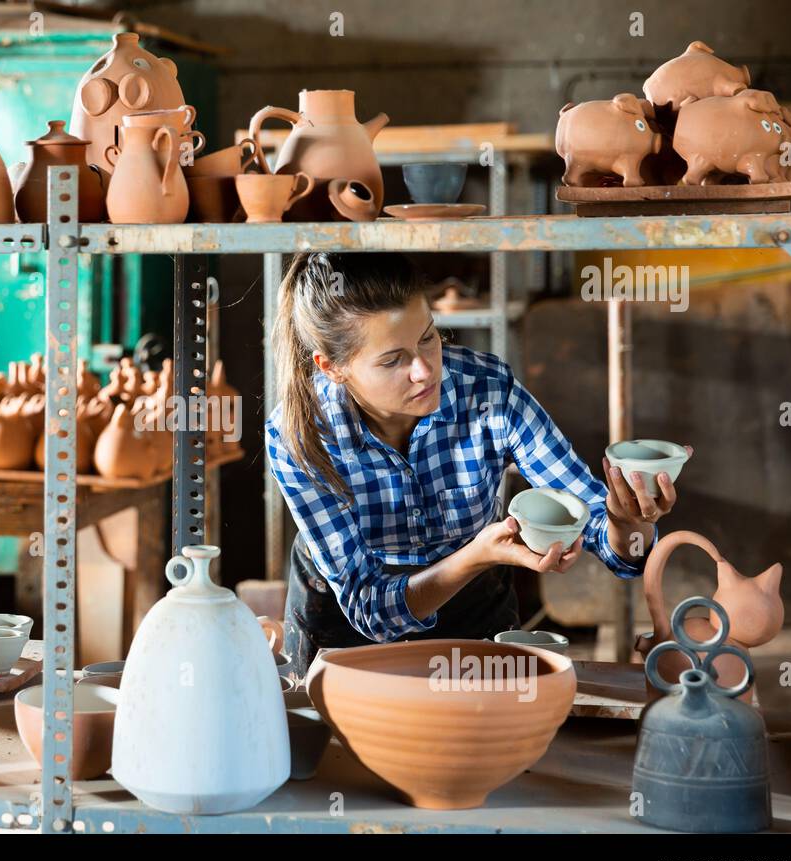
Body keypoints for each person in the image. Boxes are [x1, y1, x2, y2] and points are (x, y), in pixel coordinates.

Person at [264, 252, 690, 674]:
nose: (424, 371)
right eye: (394, 360)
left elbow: (607, 536)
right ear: (332, 367)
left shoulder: (486, 391)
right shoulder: (298, 435)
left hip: (474, 605)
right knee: (337, 741)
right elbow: (372, 610)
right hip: (345, 625)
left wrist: (624, 522)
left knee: (494, 734)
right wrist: (475, 556)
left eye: (428, 338)